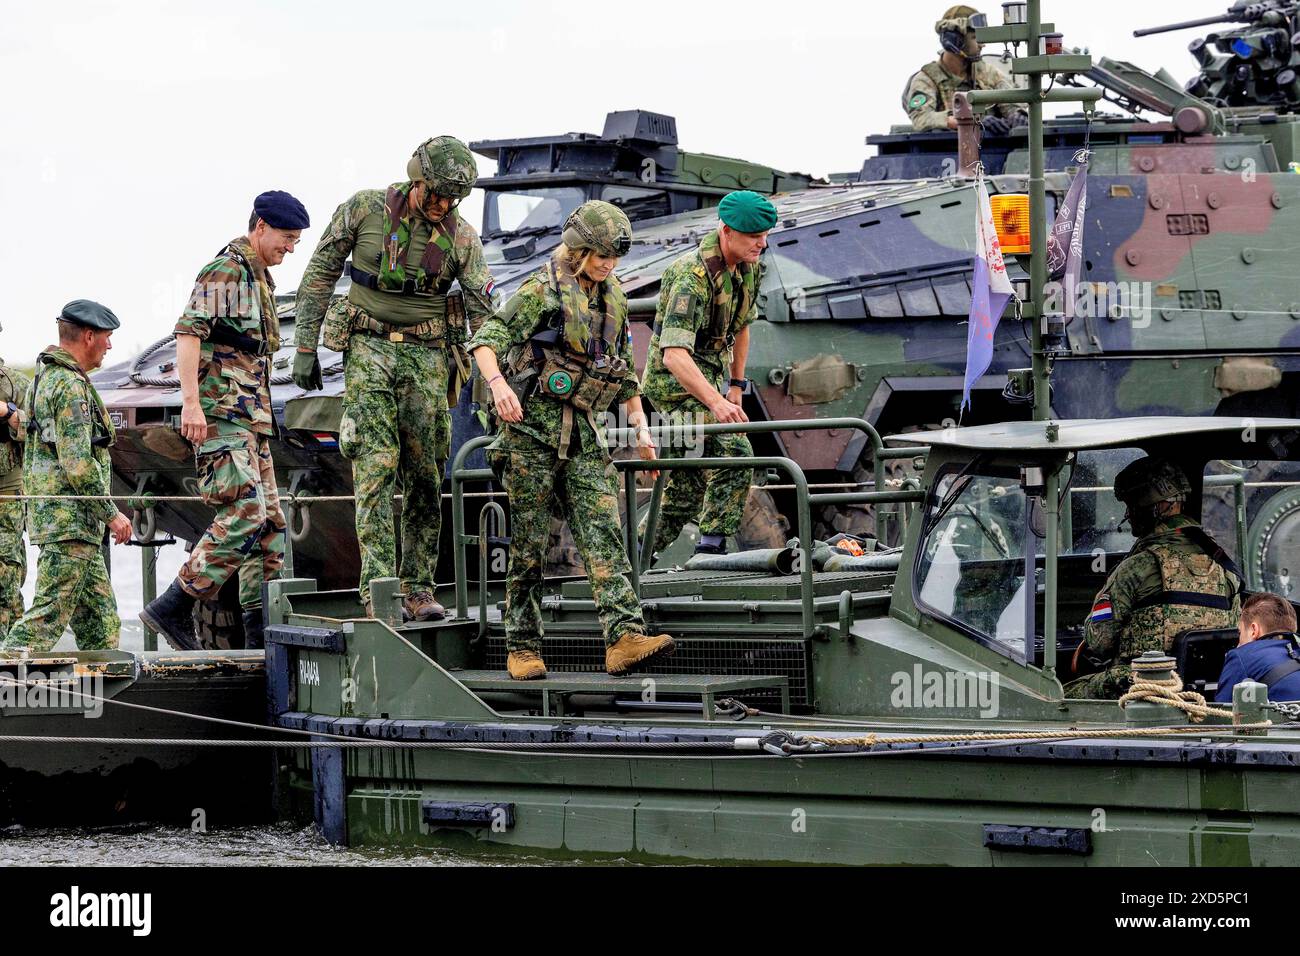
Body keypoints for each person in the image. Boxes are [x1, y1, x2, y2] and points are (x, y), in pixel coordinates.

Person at [292, 137, 497, 620]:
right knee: (375, 468)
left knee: (426, 476)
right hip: (368, 349)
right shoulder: (365, 210)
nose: (443, 206)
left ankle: (420, 589)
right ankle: (379, 591)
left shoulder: (463, 237)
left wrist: (491, 381)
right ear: (416, 178)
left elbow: (483, 310)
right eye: (437, 195)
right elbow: (320, 270)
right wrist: (305, 345)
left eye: (453, 199)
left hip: (428, 357)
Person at [468, 200, 674, 680]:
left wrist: (642, 430)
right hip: (530, 432)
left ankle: (624, 636)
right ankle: (521, 647)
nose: (607, 265)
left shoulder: (612, 297)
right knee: (529, 545)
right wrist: (498, 387)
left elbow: (623, 374)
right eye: (600, 255)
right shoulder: (541, 290)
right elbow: (485, 339)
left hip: (582, 432)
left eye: (613, 258)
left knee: (602, 531)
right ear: (579, 249)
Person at [140, 191, 309, 650]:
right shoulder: (227, 271)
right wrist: (191, 405)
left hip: (250, 418)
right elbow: (187, 333)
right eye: (286, 238)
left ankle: (260, 636)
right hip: (223, 414)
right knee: (245, 512)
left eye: (295, 241)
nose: (290, 248)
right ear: (260, 227)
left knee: (271, 522)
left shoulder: (258, 278)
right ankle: (172, 606)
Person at [640, 189, 773, 559]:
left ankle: (635, 552)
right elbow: (674, 357)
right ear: (727, 231)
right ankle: (711, 549)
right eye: (753, 236)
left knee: (686, 489)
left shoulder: (748, 267)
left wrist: (735, 386)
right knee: (735, 450)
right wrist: (716, 403)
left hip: (711, 380)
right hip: (674, 387)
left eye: (765, 235)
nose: (762, 243)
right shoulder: (691, 276)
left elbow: (742, 324)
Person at [1, 300, 132, 653]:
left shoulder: (43, 379)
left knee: (101, 620)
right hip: (69, 522)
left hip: (67, 522)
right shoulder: (69, 386)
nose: (110, 346)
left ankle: (106, 698)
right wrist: (112, 513)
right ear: (88, 336)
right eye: (107, 337)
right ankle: (7, 674)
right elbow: (76, 463)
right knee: (44, 620)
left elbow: (36, 439)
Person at [1064, 456, 1242, 699]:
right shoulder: (1224, 567)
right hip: (1204, 689)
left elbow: (1099, 642)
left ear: (1154, 508)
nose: (1128, 513)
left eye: (1132, 505)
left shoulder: (1138, 566)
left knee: (1062, 695)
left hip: (1142, 687)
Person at [903, 5, 1027, 134]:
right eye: (975, 38)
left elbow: (1012, 103)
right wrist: (972, 121)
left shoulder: (986, 72)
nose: (982, 45)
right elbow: (921, 118)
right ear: (955, 41)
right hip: (947, 150)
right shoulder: (927, 79)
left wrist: (1017, 116)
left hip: (991, 149)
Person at [1215, 592, 1300, 703]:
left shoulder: (1241, 656)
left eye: (1240, 633)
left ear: (1254, 630)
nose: (1238, 644)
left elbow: (1221, 714)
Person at [0, 353, 29, 642]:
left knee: (6, 573)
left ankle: (9, 645)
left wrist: (8, 413)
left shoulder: (15, 384)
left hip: (6, 494)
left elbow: (40, 427)